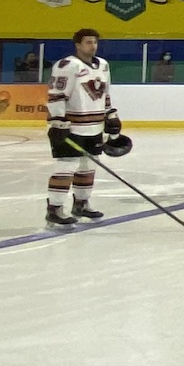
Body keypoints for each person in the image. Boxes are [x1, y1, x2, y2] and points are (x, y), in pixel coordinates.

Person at [44, 28, 118, 229]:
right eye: (88, 42)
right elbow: (56, 94)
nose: (93, 46)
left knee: (88, 166)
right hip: (71, 127)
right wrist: (58, 121)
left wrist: (110, 114)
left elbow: (105, 93)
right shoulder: (68, 65)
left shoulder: (103, 65)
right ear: (78, 45)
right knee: (66, 167)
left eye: (95, 42)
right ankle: (55, 209)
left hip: (94, 127)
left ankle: (81, 204)